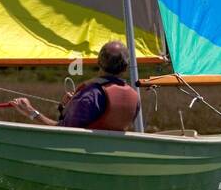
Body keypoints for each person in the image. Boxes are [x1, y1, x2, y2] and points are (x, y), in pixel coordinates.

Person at [10, 41, 141, 130]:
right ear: (125, 68)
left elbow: (63, 132)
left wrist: (31, 112)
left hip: (87, 154)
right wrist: (64, 108)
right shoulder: (135, 98)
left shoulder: (90, 95)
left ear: (98, 62)